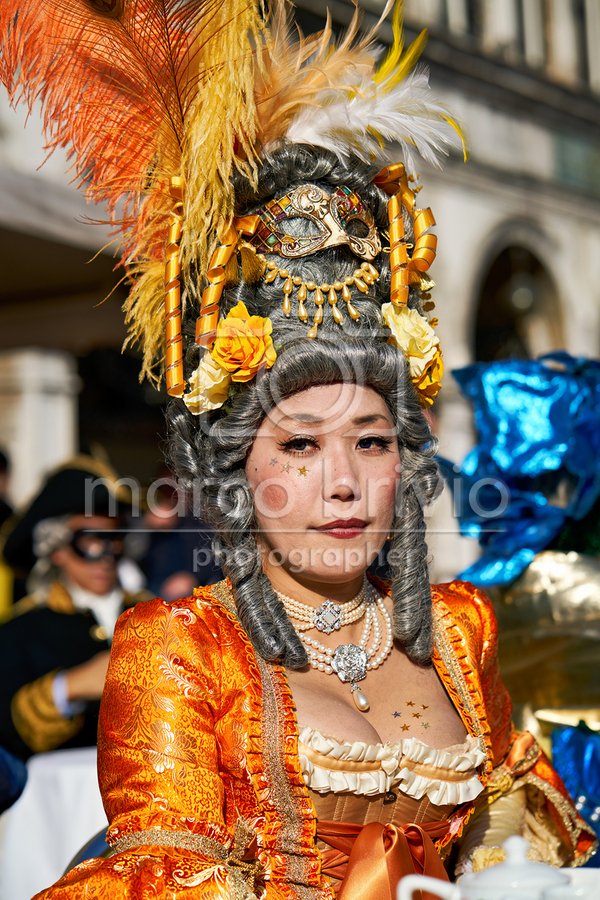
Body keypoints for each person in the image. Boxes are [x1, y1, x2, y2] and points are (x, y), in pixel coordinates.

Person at [1, 1, 595, 897]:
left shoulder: (459, 629)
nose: (346, 482)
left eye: (372, 439)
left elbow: (524, 825)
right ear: (239, 470)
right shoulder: (183, 649)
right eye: (302, 445)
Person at [0, 456, 147, 760]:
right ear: (56, 549)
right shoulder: (20, 632)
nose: (106, 555)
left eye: (114, 538)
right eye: (90, 540)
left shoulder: (155, 614)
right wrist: (69, 687)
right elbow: (7, 734)